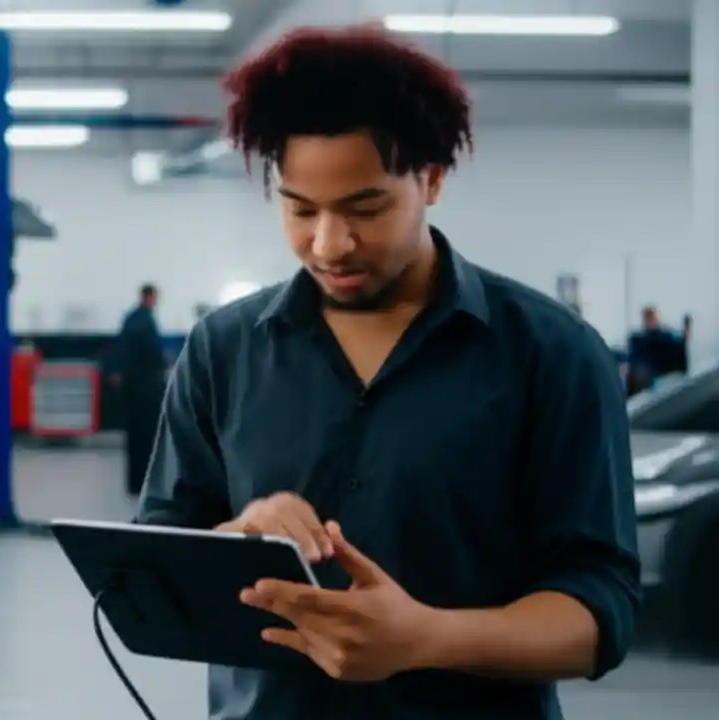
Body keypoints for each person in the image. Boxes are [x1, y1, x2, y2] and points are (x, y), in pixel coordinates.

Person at [135, 25, 640, 720]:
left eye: (365, 208)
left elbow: (599, 608)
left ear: (431, 179)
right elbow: (152, 567)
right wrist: (236, 537)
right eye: (300, 208)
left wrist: (428, 637)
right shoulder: (223, 349)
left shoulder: (550, 353)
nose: (329, 244)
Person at [113, 284, 168, 495]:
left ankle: (135, 482)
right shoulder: (144, 321)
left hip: (134, 387)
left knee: (135, 437)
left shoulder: (132, 318)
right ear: (150, 296)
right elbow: (152, 353)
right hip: (145, 388)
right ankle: (143, 482)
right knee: (146, 436)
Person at [627, 305, 688, 395]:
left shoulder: (667, 337)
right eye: (648, 318)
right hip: (647, 377)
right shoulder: (638, 339)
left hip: (664, 376)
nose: (650, 321)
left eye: (652, 318)